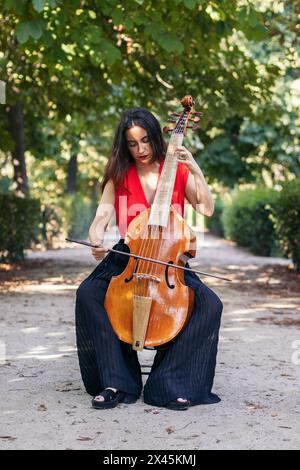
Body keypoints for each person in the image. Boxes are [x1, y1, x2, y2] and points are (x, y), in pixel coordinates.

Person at [75, 107, 223, 411]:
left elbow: (206, 208)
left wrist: (195, 168)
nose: (140, 149)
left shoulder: (178, 171)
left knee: (210, 305)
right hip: (127, 256)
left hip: (169, 261)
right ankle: (116, 381)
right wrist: (95, 236)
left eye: (145, 140)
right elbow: (103, 213)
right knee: (88, 293)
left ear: (156, 137)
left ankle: (170, 382)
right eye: (132, 143)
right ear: (124, 144)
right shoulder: (118, 174)